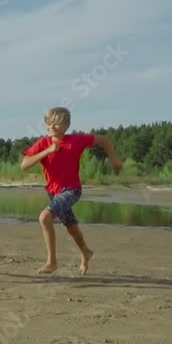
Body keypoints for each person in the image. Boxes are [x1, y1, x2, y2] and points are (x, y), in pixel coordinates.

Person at [21, 107, 122, 275]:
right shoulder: (43, 144)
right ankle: (86, 253)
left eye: (57, 123)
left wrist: (115, 161)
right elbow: (24, 165)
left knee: (44, 217)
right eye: (48, 123)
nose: (52, 126)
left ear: (67, 125)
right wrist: (48, 151)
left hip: (72, 190)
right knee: (71, 227)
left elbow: (104, 140)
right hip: (54, 192)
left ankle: (52, 262)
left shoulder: (76, 140)